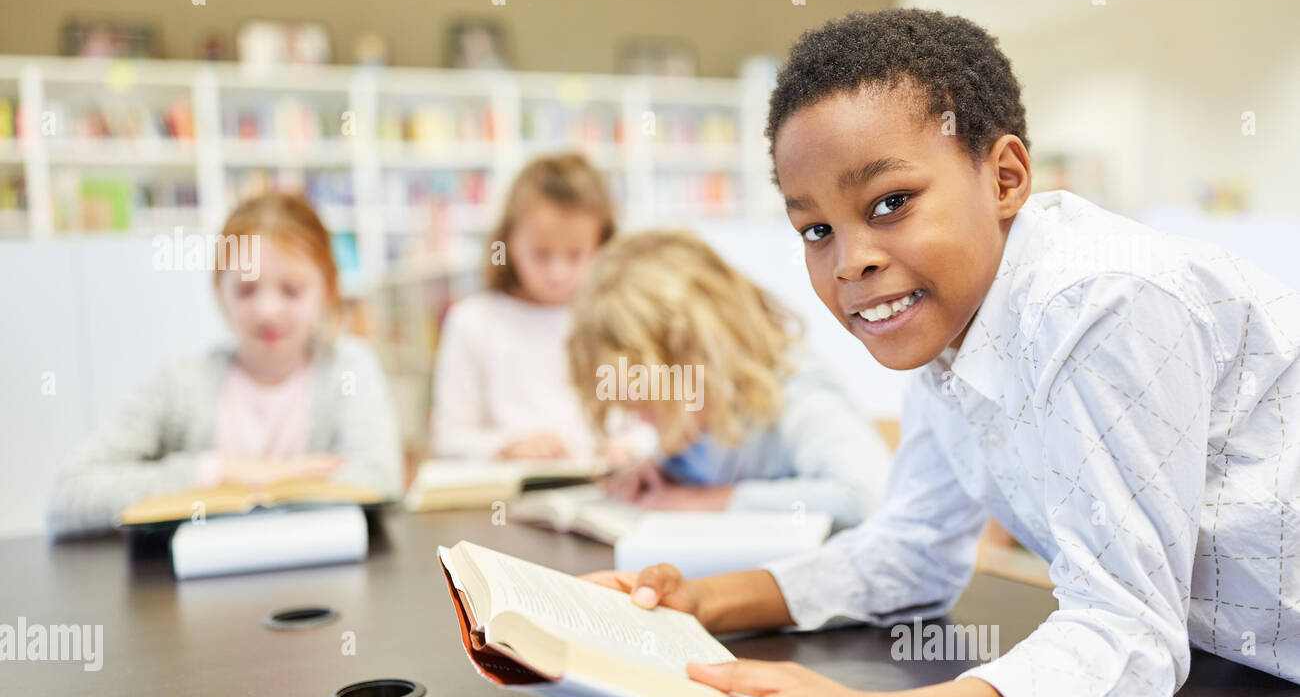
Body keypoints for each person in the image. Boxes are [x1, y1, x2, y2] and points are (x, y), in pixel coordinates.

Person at [585, 8, 1300, 697]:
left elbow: (1129, 633)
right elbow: (912, 551)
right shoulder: (952, 329)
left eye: (889, 202)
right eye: (816, 227)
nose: (850, 259)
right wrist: (700, 604)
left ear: (1004, 178)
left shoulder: (1101, 301)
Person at [48, 192, 402, 537]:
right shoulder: (177, 382)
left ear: (327, 289)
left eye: (291, 290)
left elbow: (383, 481)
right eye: (247, 290)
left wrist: (271, 479)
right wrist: (216, 471)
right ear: (221, 291)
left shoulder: (349, 368)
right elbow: (69, 495)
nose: (267, 312)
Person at [567, 229, 892, 529]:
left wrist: (713, 501)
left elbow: (867, 496)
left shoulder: (796, 397)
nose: (643, 418)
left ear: (707, 361)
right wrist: (661, 472)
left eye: (649, 403)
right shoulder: (697, 415)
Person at [431, 153, 652, 463]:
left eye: (575, 255)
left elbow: (657, 425)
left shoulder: (622, 321)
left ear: (602, 246)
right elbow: (448, 439)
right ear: (509, 242)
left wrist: (628, 448)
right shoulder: (473, 321)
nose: (557, 273)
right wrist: (507, 446)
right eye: (541, 254)